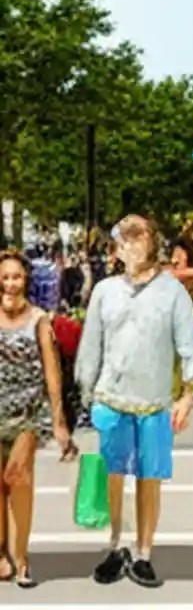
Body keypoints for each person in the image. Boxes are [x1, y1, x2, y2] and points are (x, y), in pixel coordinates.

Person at [75, 215, 193, 588]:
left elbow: (189, 345)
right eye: (124, 238)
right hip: (110, 399)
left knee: (150, 477)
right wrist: (85, 394)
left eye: (139, 237)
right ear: (115, 248)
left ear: (152, 243)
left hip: (154, 404)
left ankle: (144, 552)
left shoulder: (172, 293)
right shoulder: (104, 291)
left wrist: (187, 396)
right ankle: (115, 546)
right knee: (113, 475)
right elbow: (91, 345)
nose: (131, 245)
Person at [0, 250, 77, 588]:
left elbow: (52, 371)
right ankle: (2, 554)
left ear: (26, 280)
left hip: (28, 413)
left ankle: (22, 560)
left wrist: (59, 421)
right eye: (5, 277)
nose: (11, 283)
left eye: (16, 276)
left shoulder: (39, 319)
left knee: (18, 477)